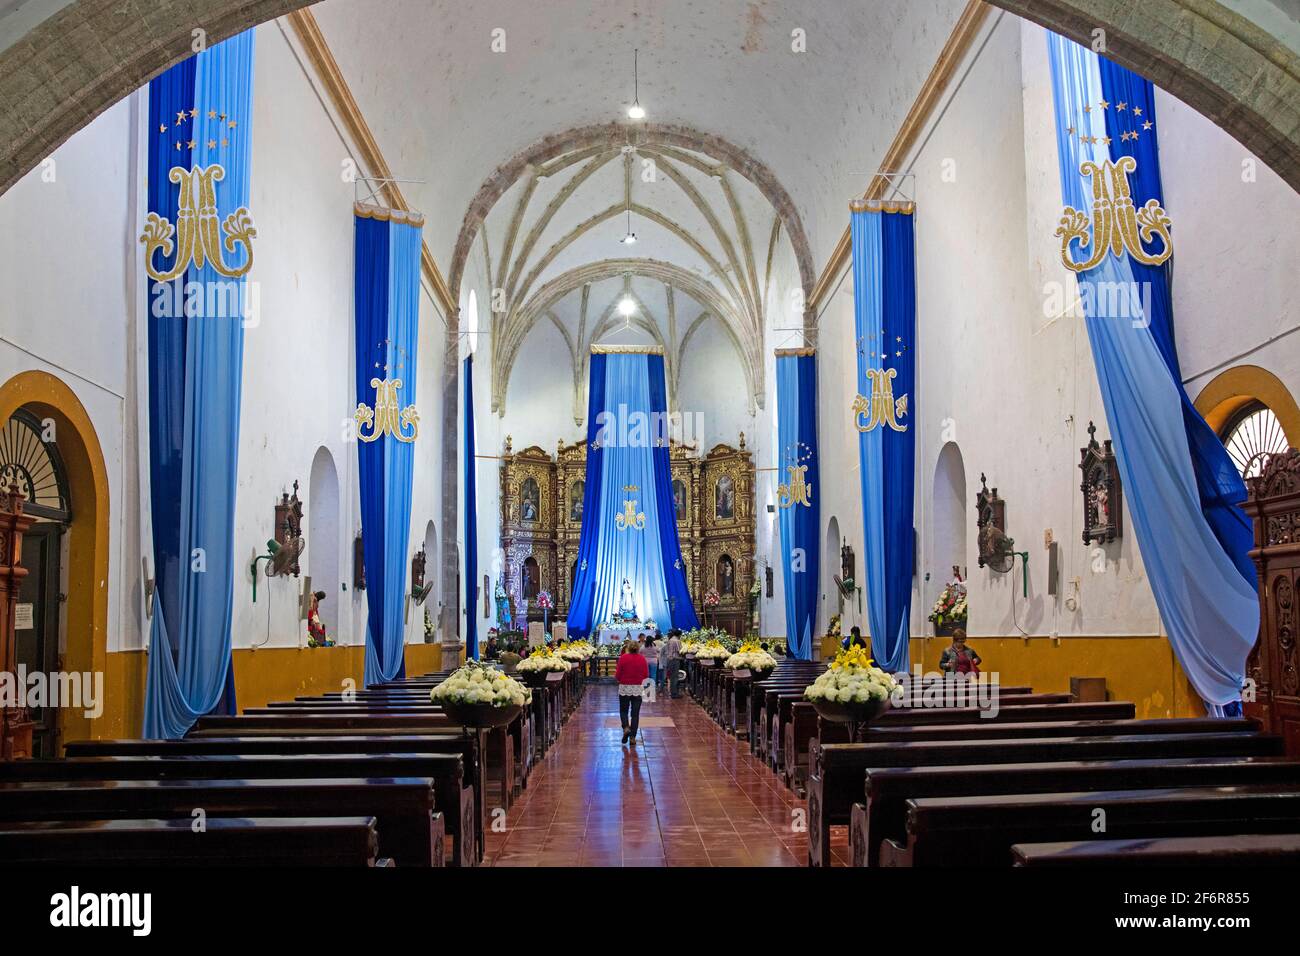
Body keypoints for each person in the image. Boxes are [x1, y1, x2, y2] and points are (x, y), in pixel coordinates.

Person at [615, 639, 649, 744]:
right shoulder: (642, 659)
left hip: (625, 687)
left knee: (623, 710)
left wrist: (620, 679)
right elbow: (646, 675)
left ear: (628, 648)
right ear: (638, 648)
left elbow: (618, 674)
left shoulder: (623, 658)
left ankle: (626, 728)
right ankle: (633, 737)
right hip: (637, 688)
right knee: (635, 714)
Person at [665, 628, 683, 699]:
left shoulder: (670, 640)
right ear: (679, 635)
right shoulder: (677, 641)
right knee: (675, 677)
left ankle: (673, 692)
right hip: (675, 660)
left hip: (669, 660)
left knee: (672, 677)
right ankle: (674, 694)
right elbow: (680, 651)